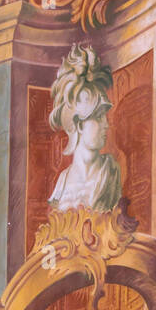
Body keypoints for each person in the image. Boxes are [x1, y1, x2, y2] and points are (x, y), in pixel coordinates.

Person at [48, 43, 122, 213]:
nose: (106, 124)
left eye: (105, 116)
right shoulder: (62, 181)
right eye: (97, 117)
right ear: (79, 125)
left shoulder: (110, 171)